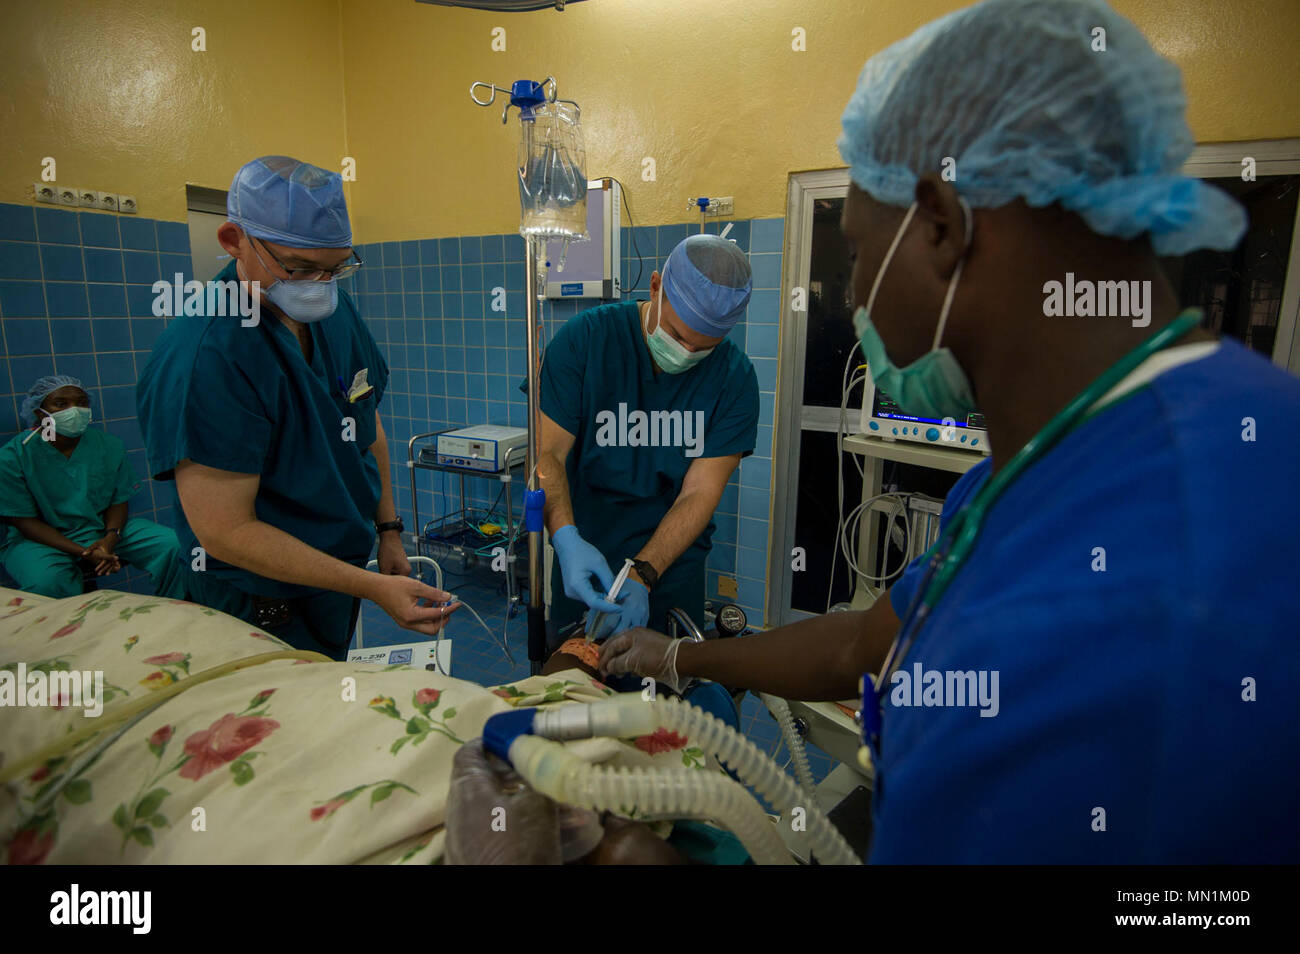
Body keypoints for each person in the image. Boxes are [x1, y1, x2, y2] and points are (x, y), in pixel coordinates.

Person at [591, 0, 1300, 863]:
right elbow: (863, 640)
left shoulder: (1139, 582)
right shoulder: (1045, 469)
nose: (855, 302)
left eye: (856, 255)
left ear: (940, 225)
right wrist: (680, 660)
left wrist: (633, 857)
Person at [137, 156, 457, 659]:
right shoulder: (205, 357)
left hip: (333, 581)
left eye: (336, 268)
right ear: (232, 240)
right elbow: (227, 532)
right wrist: (369, 587)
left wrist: (388, 530)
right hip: (251, 600)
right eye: (300, 267)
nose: (318, 284)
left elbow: (364, 419)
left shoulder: (331, 307)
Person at [538, 234, 760, 644]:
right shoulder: (585, 342)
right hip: (586, 559)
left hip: (671, 572)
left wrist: (644, 572)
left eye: (702, 349)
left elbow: (699, 494)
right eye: (676, 335)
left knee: (667, 699)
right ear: (655, 286)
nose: (685, 353)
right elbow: (547, 456)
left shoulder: (735, 379)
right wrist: (565, 538)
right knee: (572, 690)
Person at [1, 376, 184, 599]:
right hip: (38, 541)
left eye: (81, 403)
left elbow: (119, 499)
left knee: (174, 546)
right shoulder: (14, 457)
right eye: (61, 404)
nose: (74, 410)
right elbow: (24, 521)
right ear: (40, 412)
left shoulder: (107, 445)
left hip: (100, 528)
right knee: (48, 581)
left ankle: (179, 609)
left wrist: (110, 538)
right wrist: (85, 552)